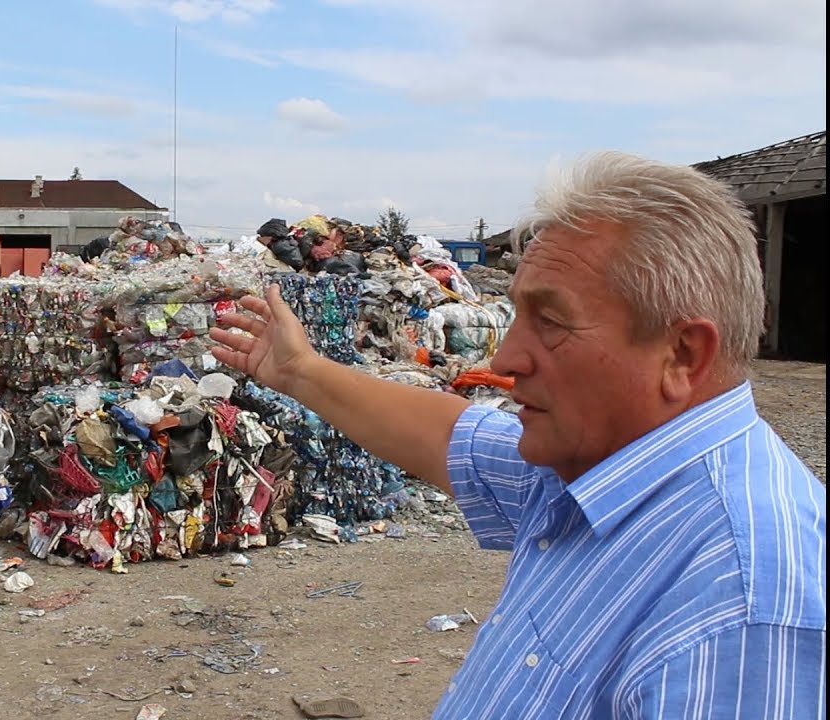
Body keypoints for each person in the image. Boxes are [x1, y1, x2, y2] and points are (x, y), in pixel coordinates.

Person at [209, 152, 826, 718]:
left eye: (551, 322)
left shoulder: (742, 606)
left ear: (682, 354)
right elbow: (454, 437)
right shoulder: (592, 469)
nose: (504, 360)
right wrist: (300, 370)